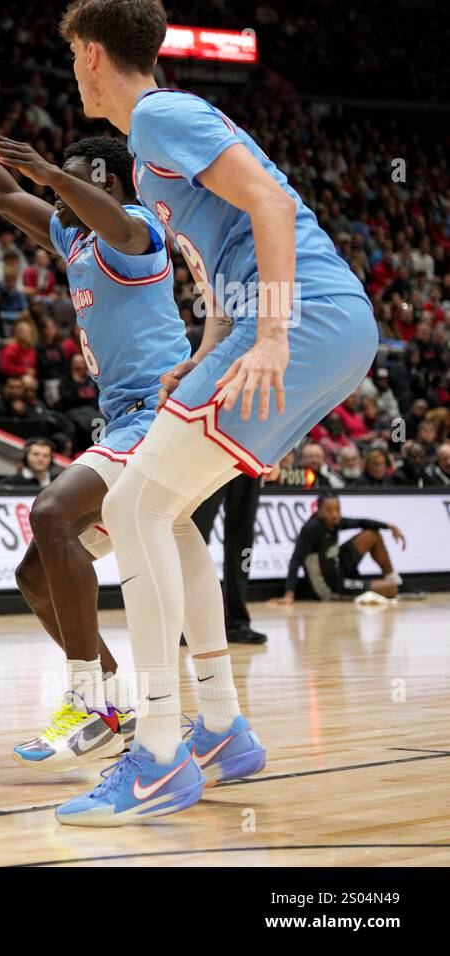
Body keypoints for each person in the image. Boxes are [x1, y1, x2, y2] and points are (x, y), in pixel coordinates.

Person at [50, 0, 378, 825]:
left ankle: (158, 751)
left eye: (71, 58)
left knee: (131, 505)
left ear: (90, 55)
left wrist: (268, 335)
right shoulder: (153, 138)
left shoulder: (161, 113)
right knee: (170, 514)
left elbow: (269, 205)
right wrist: (209, 351)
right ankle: (222, 729)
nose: (71, 72)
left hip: (305, 317)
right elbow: (227, 248)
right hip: (315, 323)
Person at [0, 38, 201, 770]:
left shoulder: (139, 230)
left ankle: (87, 696)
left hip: (163, 416)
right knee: (33, 573)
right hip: (121, 424)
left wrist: (50, 170)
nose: (55, 194)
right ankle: (113, 697)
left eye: (71, 180)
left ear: (105, 178)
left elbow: (92, 208)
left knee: (51, 514)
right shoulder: (71, 232)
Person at [270, 492, 423, 605]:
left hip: (338, 569)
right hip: (330, 587)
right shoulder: (311, 529)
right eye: (329, 510)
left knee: (372, 535)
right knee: (390, 590)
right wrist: (289, 595)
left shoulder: (335, 522)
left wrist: (390, 526)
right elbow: (295, 560)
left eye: (337, 509)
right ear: (319, 511)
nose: (335, 514)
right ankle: (394, 587)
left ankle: (397, 581)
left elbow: (360, 522)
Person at [192, 473, 268, 644]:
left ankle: (236, 622)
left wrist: (275, 458)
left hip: (251, 454)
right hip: (212, 453)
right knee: (194, 534)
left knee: (243, 539)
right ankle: (186, 624)